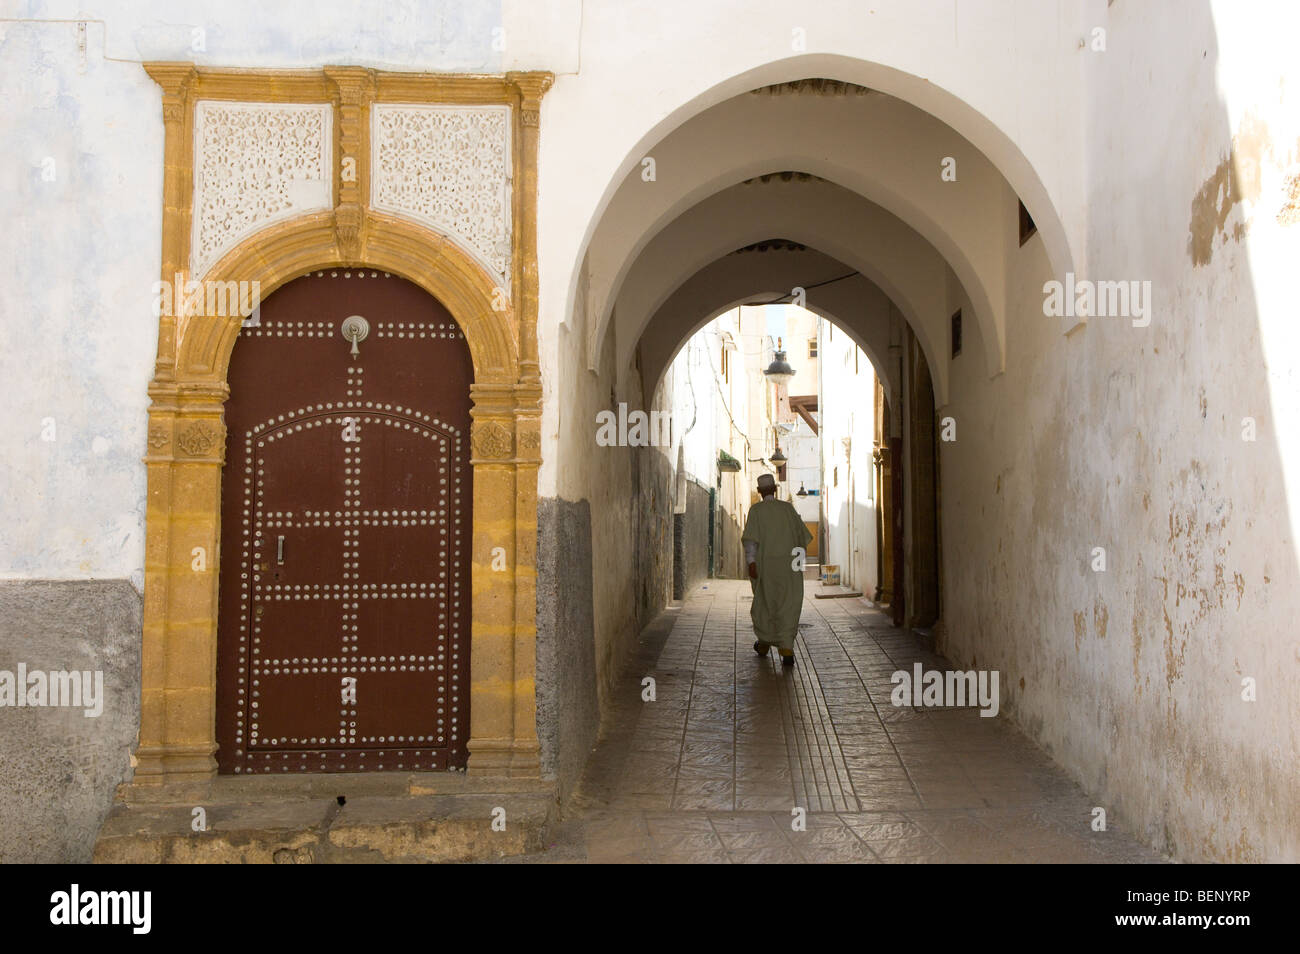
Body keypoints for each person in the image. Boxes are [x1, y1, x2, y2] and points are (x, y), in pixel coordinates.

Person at [742, 473, 812, 666]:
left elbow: (750, 542)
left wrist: (752, 564)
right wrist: (798, 565)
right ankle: (786, 646)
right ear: (775, 489)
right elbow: (801, 538)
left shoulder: (755, 511)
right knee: (788, 603)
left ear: (759, 492)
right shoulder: (788, 510)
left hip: (766, 567)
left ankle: (765, 641)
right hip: (789, 567)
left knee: (765, 602)